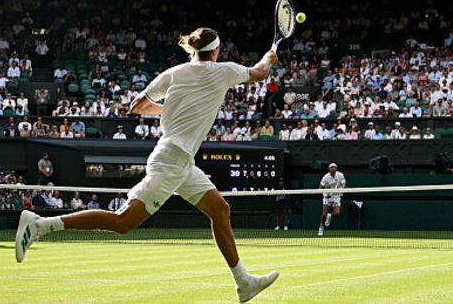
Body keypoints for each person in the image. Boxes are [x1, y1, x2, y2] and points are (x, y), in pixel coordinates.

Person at [14, 27, 280, 302]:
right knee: (122, 222)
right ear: (215, 51)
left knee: (220, 210)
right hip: (170, 162)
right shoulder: (223, 70)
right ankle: (41, 224)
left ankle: (243, 282)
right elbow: (260, 72)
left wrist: (172, 110)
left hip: (181, 161)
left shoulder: (174, 73)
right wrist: (270, 57)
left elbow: (137, 106)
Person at [318, 162, 346, 236]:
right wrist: (325, 194)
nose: (333, 168)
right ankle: (321, 227)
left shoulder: (340, 175)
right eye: (332, 167)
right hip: (327, 196)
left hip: (336, 196)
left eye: (335, 167)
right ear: (329, 169)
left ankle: (330, 216)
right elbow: (320, 187)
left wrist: (340, 188)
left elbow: (343, 183)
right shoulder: (325, 177)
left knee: (337, 213)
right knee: (324, 214)